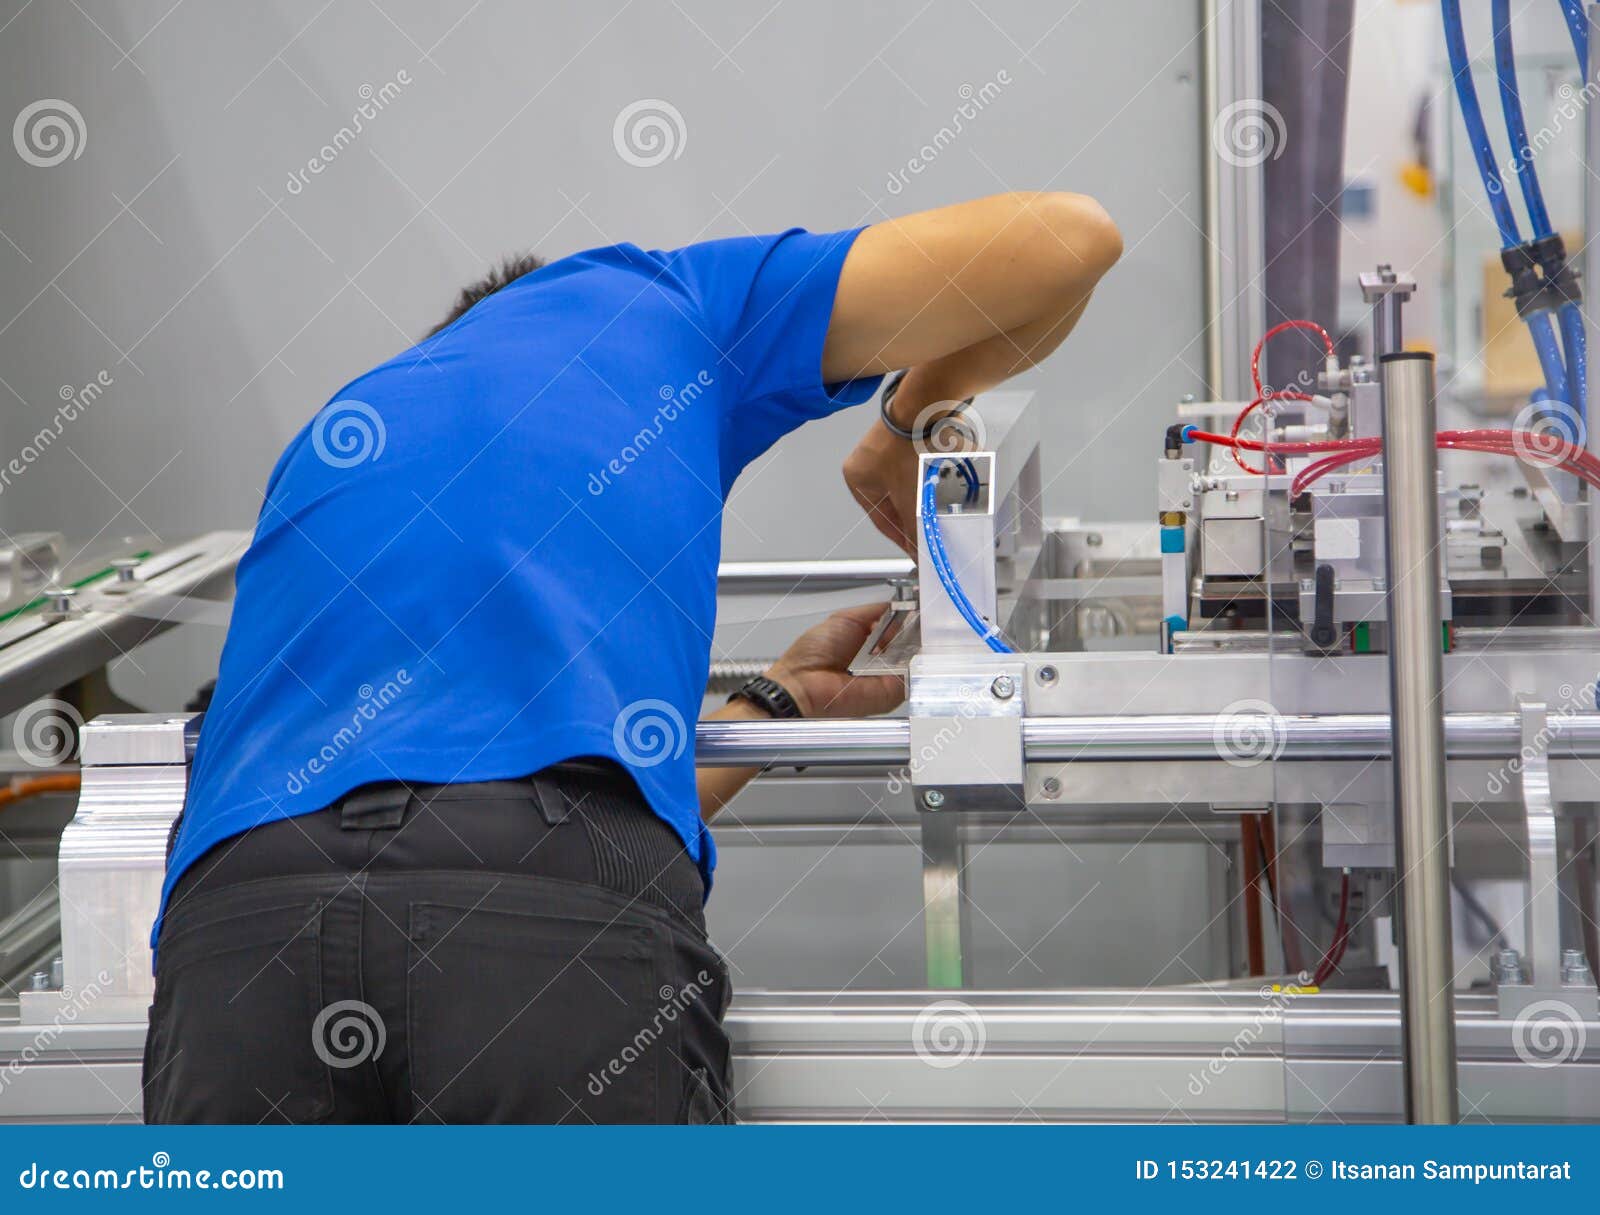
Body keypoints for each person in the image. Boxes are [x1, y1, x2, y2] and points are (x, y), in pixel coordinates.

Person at [142, 191, 1122, 1123]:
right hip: (546, 931)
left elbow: (426, 809)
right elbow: (1067, 240)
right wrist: (903, 425)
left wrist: (777, 704)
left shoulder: (344, 429)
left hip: (239, 938)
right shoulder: (666, 303)